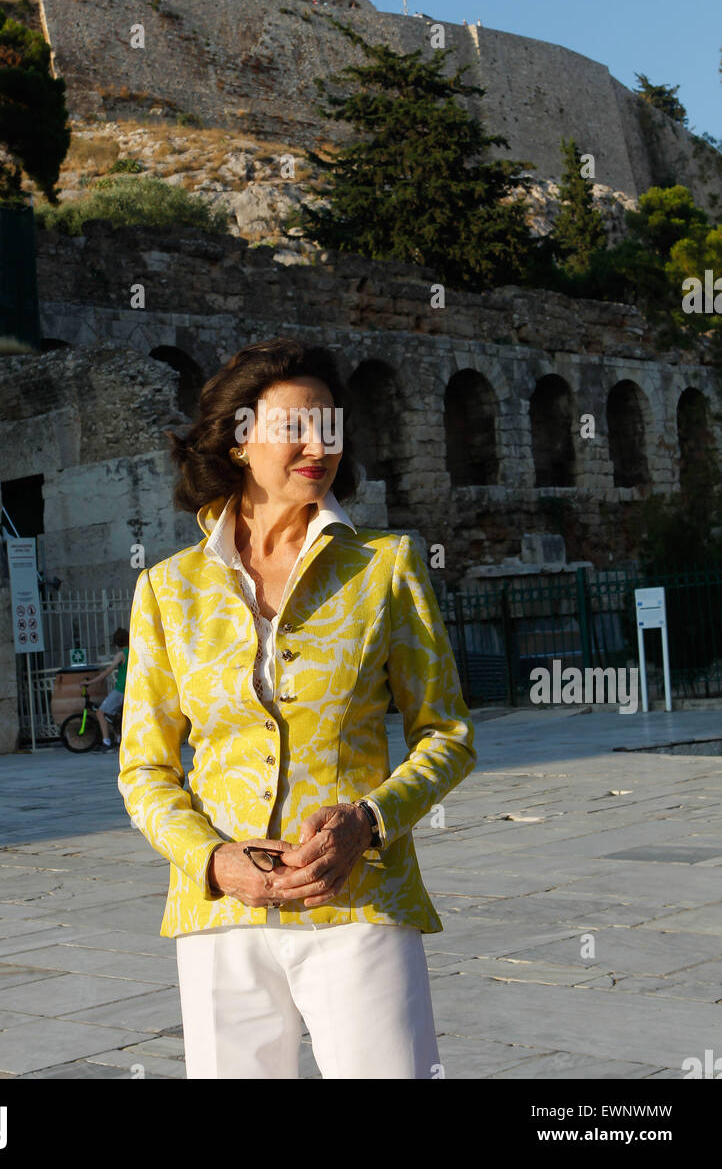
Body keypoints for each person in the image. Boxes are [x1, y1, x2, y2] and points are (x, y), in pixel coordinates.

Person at [117, 338, 476, 1079]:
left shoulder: (387, 567)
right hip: (221, 914)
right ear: (240, 440)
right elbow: (144, 769)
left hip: (359, 903)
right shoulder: (167, 589)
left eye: (332, 428)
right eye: (296, 428)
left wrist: (367, 823)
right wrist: (210, 859)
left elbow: (448, 735)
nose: (321, 446)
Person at [84, 628, 129, 750]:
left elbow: (108, 671)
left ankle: (106, 741)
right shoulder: (134, 652)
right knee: (120, 715)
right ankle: (119, 738)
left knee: (100, 713)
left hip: (121, 689)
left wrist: (91, 682)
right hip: (131, 689)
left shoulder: (121, 654)